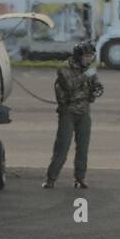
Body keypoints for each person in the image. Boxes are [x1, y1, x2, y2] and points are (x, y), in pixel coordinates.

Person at [43, 41, 104, 189]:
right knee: (62, 147)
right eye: (87, 56)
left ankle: (80, 178)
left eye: (91, 56)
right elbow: (70, 85)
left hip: (84, 112)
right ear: (78, 56)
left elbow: (96, 84)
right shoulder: (64, 68)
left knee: (83, 148)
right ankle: (51, 178)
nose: (89, 59)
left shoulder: (89, 69)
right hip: (68, 112)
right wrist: (86, 74)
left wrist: (97, 89)